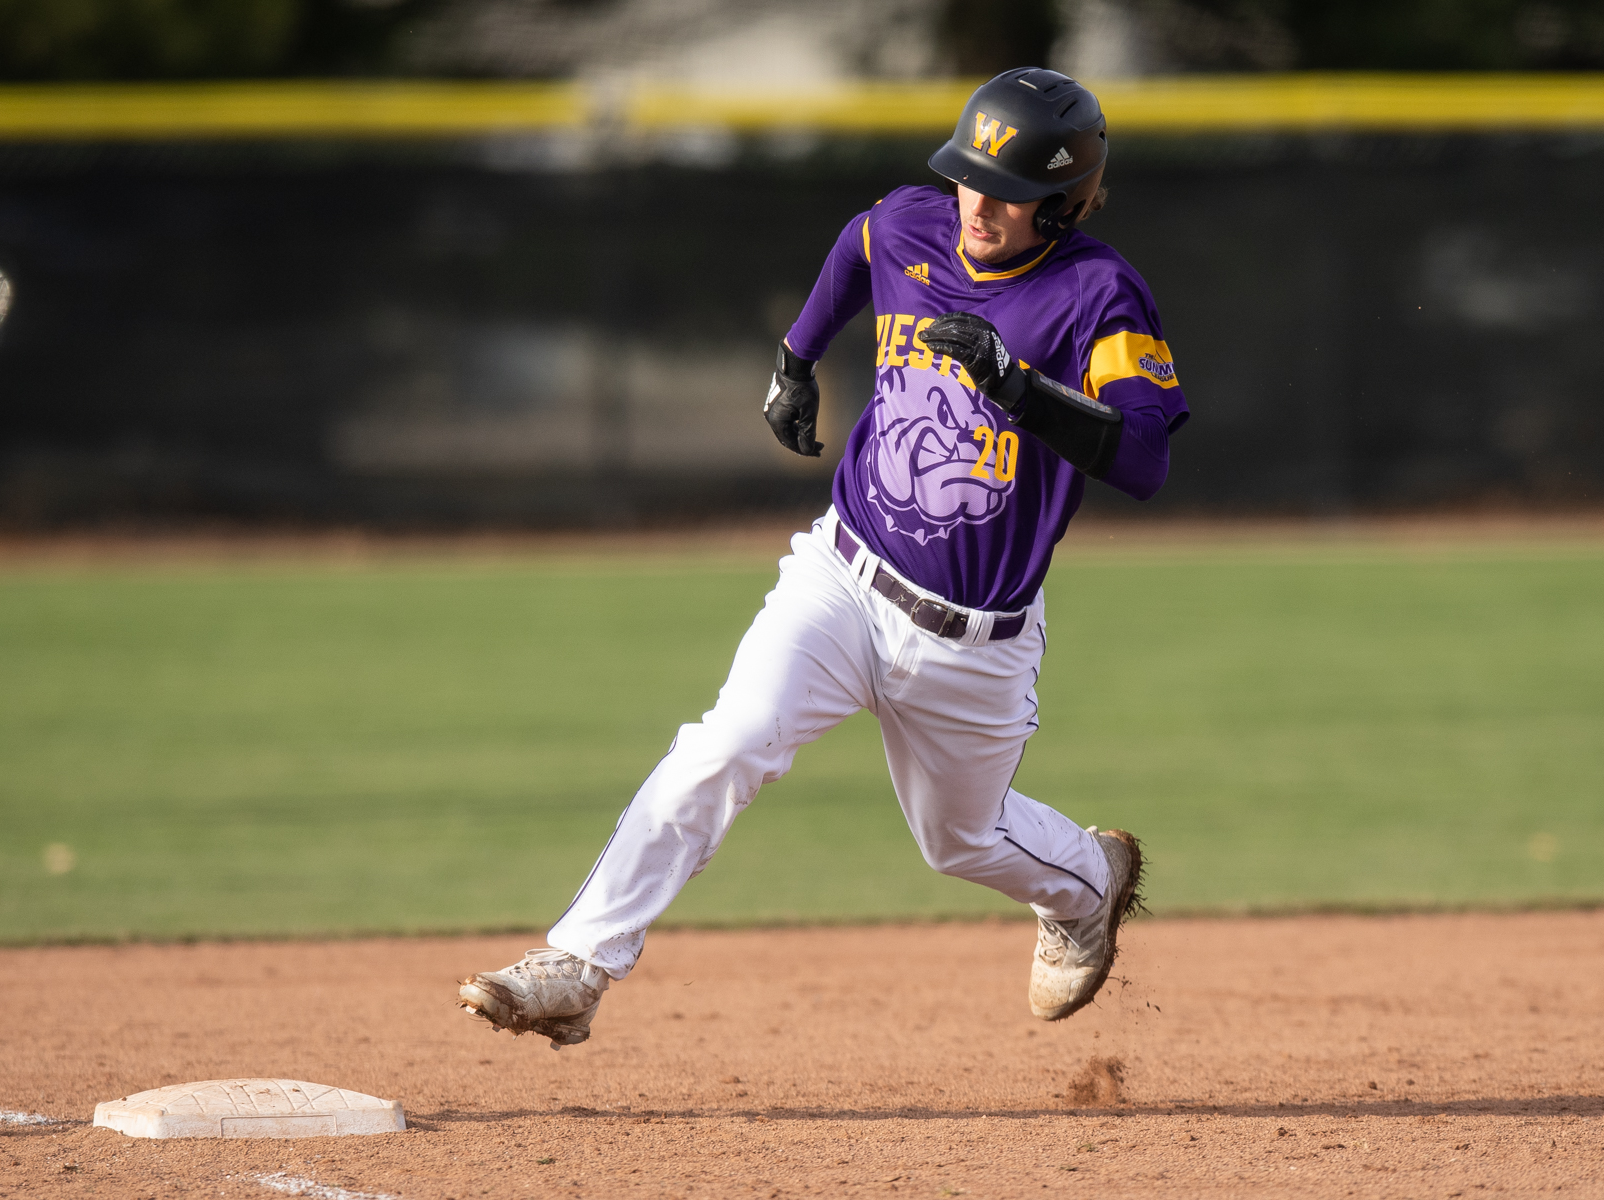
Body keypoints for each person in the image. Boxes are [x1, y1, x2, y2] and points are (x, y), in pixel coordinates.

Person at [458, 69, 1189, 1047]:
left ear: (1061, 200)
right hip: (842, 575)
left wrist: (1019, 389)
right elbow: (859, 243)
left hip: (974, 643)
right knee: (728, 741)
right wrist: (796, 358)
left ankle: (1089, 884)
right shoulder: (915, 225)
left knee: (960, 840)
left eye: (1006, 190)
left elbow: (1143, 458)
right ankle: (580, 965)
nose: (976, 203)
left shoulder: (1096, 292)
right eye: (968, 175)